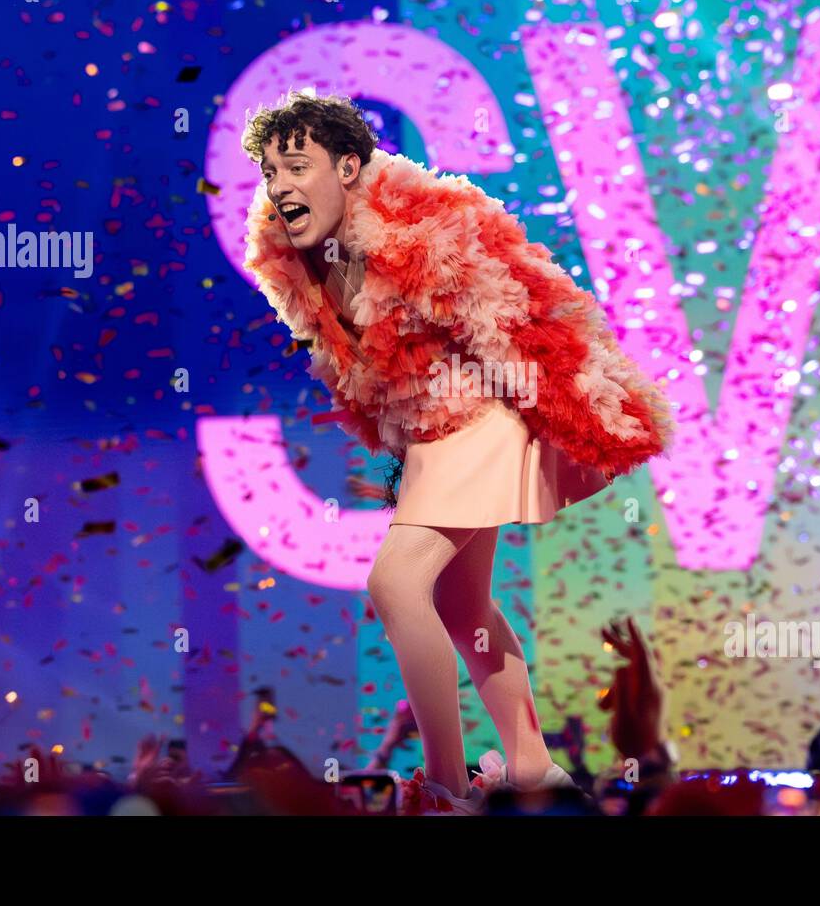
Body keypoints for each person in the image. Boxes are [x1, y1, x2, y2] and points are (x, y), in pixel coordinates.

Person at [240, 91, 677, 815]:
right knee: (459, 600)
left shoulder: (426, 224)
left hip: (482, 416)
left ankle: (441, 783)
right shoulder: (303, 261)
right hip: (432, 436)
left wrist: (572, 412)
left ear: (349, 167)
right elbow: (371, 374)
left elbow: (523, 311)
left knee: (396, 583)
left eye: (296, 164)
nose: (280, 183)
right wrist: (395, 451)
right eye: (268, 171)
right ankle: (533, 767)